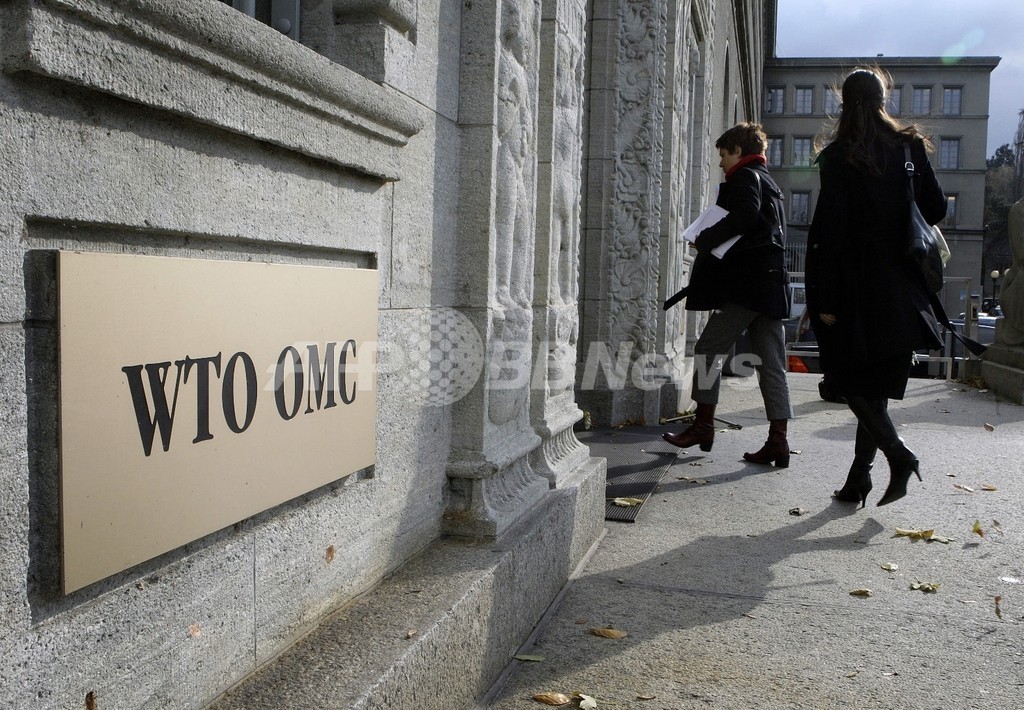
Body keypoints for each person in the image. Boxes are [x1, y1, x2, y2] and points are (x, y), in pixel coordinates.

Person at [806, 68, 946, 507]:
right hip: (902, 287)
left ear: (843, 103)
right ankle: (858, 478)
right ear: (884, 98)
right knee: (875, 386)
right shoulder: (910, 147)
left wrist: (822, 297)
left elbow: (830, 232)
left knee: (850, 382)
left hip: (854, 288)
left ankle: (898, 456)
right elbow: (937, 208)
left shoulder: (837, 156)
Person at [662, 123, 793, 466]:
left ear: (737, 150)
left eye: (723, 154)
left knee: (707, 349)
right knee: (772, 365)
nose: (721, 162)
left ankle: (703, 425)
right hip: (771, 286)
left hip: (748, 287)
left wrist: (704, 239)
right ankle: (778, 441)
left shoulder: (746, 177)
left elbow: (744, 217)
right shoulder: (770, 182)